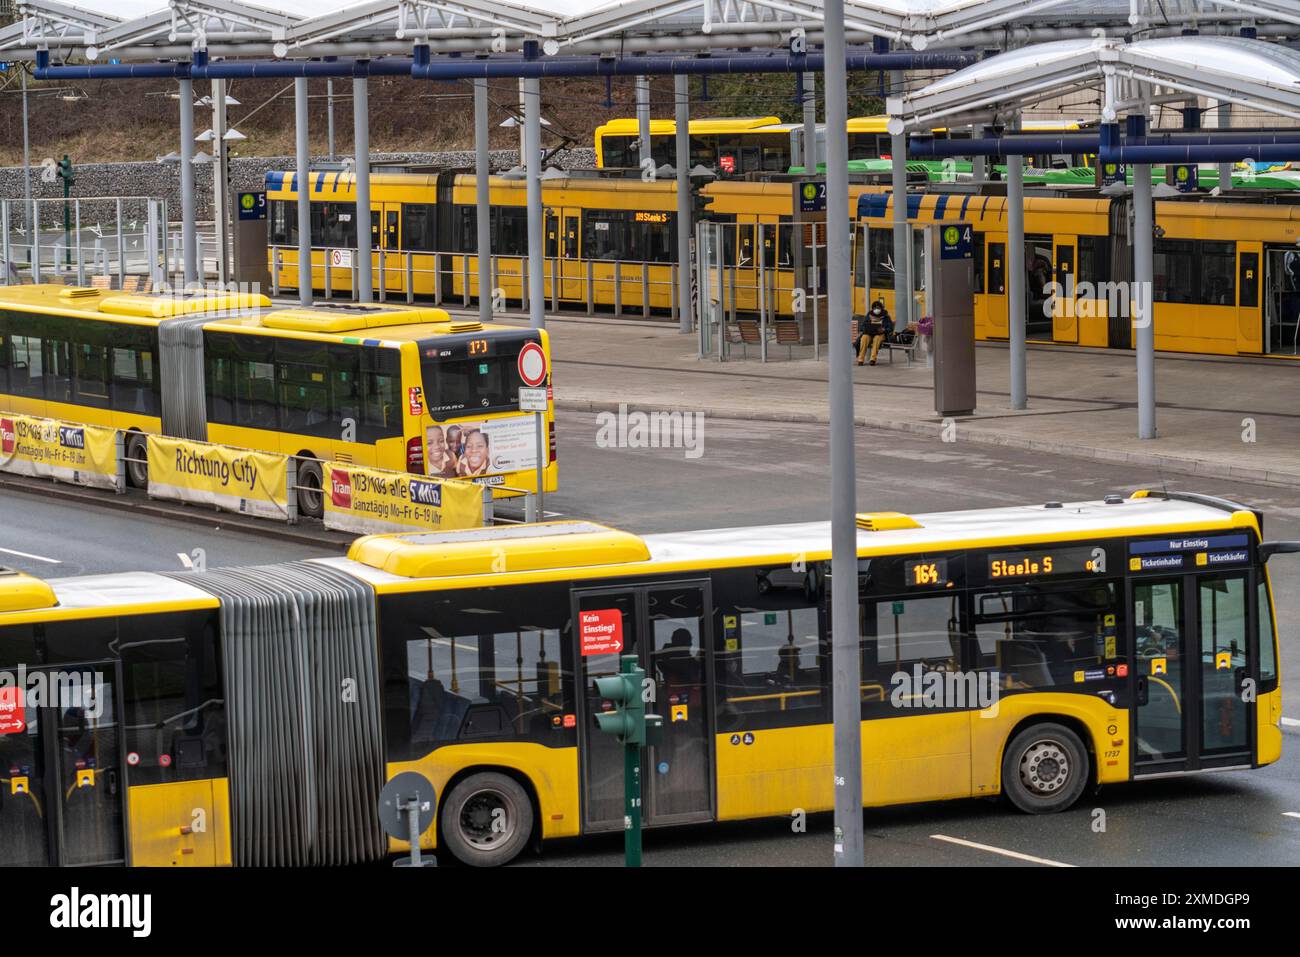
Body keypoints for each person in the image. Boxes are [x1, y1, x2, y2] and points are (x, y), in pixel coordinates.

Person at [856, 299, 893, 366]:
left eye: (878, 308)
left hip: (880, 334)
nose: (876, 309)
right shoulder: (869, 315)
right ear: (872, 309)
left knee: (877, 339)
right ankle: (860, 359)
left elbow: (890, 328)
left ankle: (873, 359)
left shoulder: (886, 316)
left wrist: (884, 329)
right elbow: (863, 326)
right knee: (864, 338)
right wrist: (866, 329)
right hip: (869, 333)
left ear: (881, 308)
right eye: (875, 308)